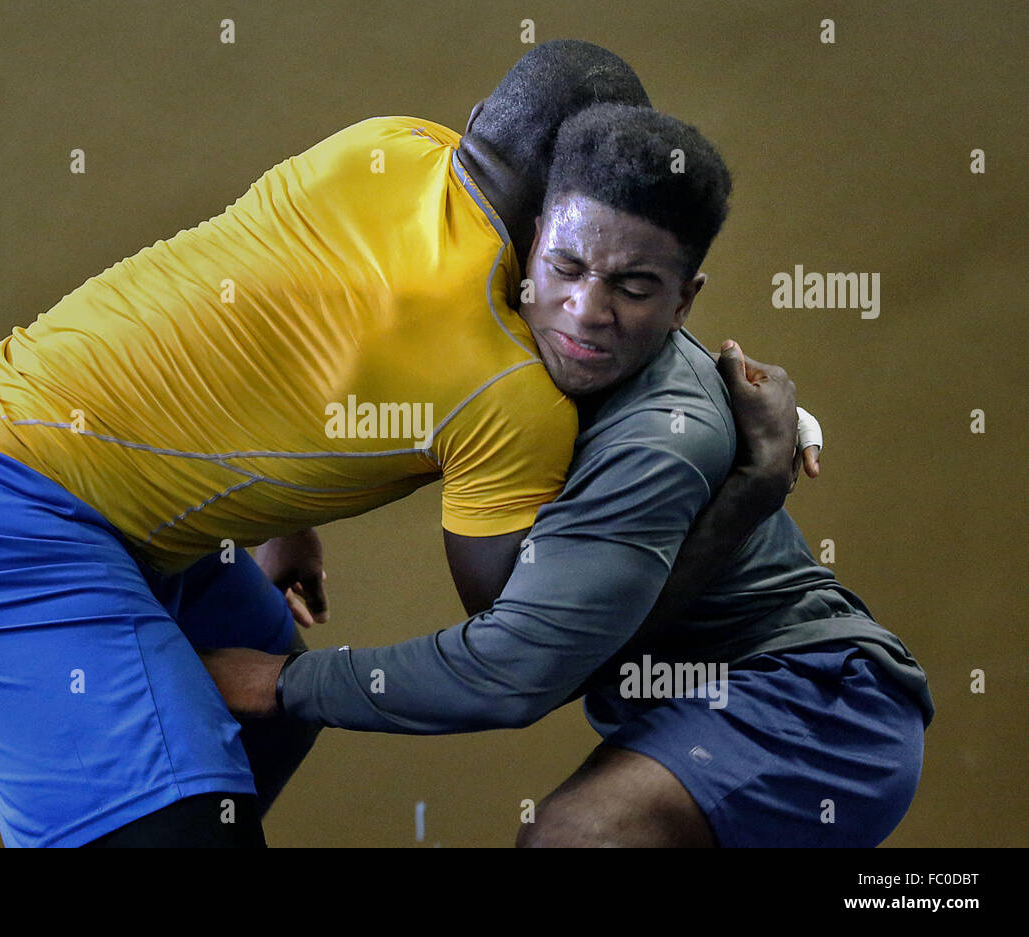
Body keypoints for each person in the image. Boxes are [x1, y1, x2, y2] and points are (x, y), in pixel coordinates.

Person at [202, 103, 933, 848]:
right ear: (532, 243)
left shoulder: (660, 438)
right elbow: (326, 362)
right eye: (568, 266)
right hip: (692, 700)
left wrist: (284, 684)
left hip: (817, 703)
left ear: (685, 301)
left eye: (635, 287)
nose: (586, 311)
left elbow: (514, 666)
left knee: (578, 838)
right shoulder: (497, 295)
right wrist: (286, 516)